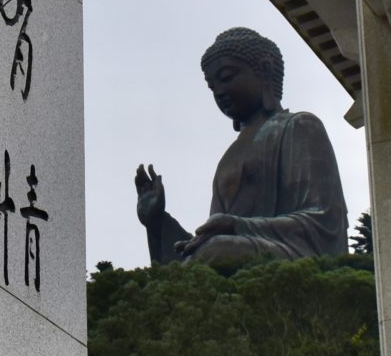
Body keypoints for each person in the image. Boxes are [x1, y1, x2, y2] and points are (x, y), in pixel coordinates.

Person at [134, 27, 348, 266]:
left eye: (226, 78)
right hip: (237, 251)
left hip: (296, 256)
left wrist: (238, 226)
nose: (220, 92)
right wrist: (157, 222)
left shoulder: (300, 127)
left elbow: (323, 222)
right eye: (212, 86)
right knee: (209, 252)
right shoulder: (230, 156)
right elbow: (205, 239)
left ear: (264, 70)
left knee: (218, 250)